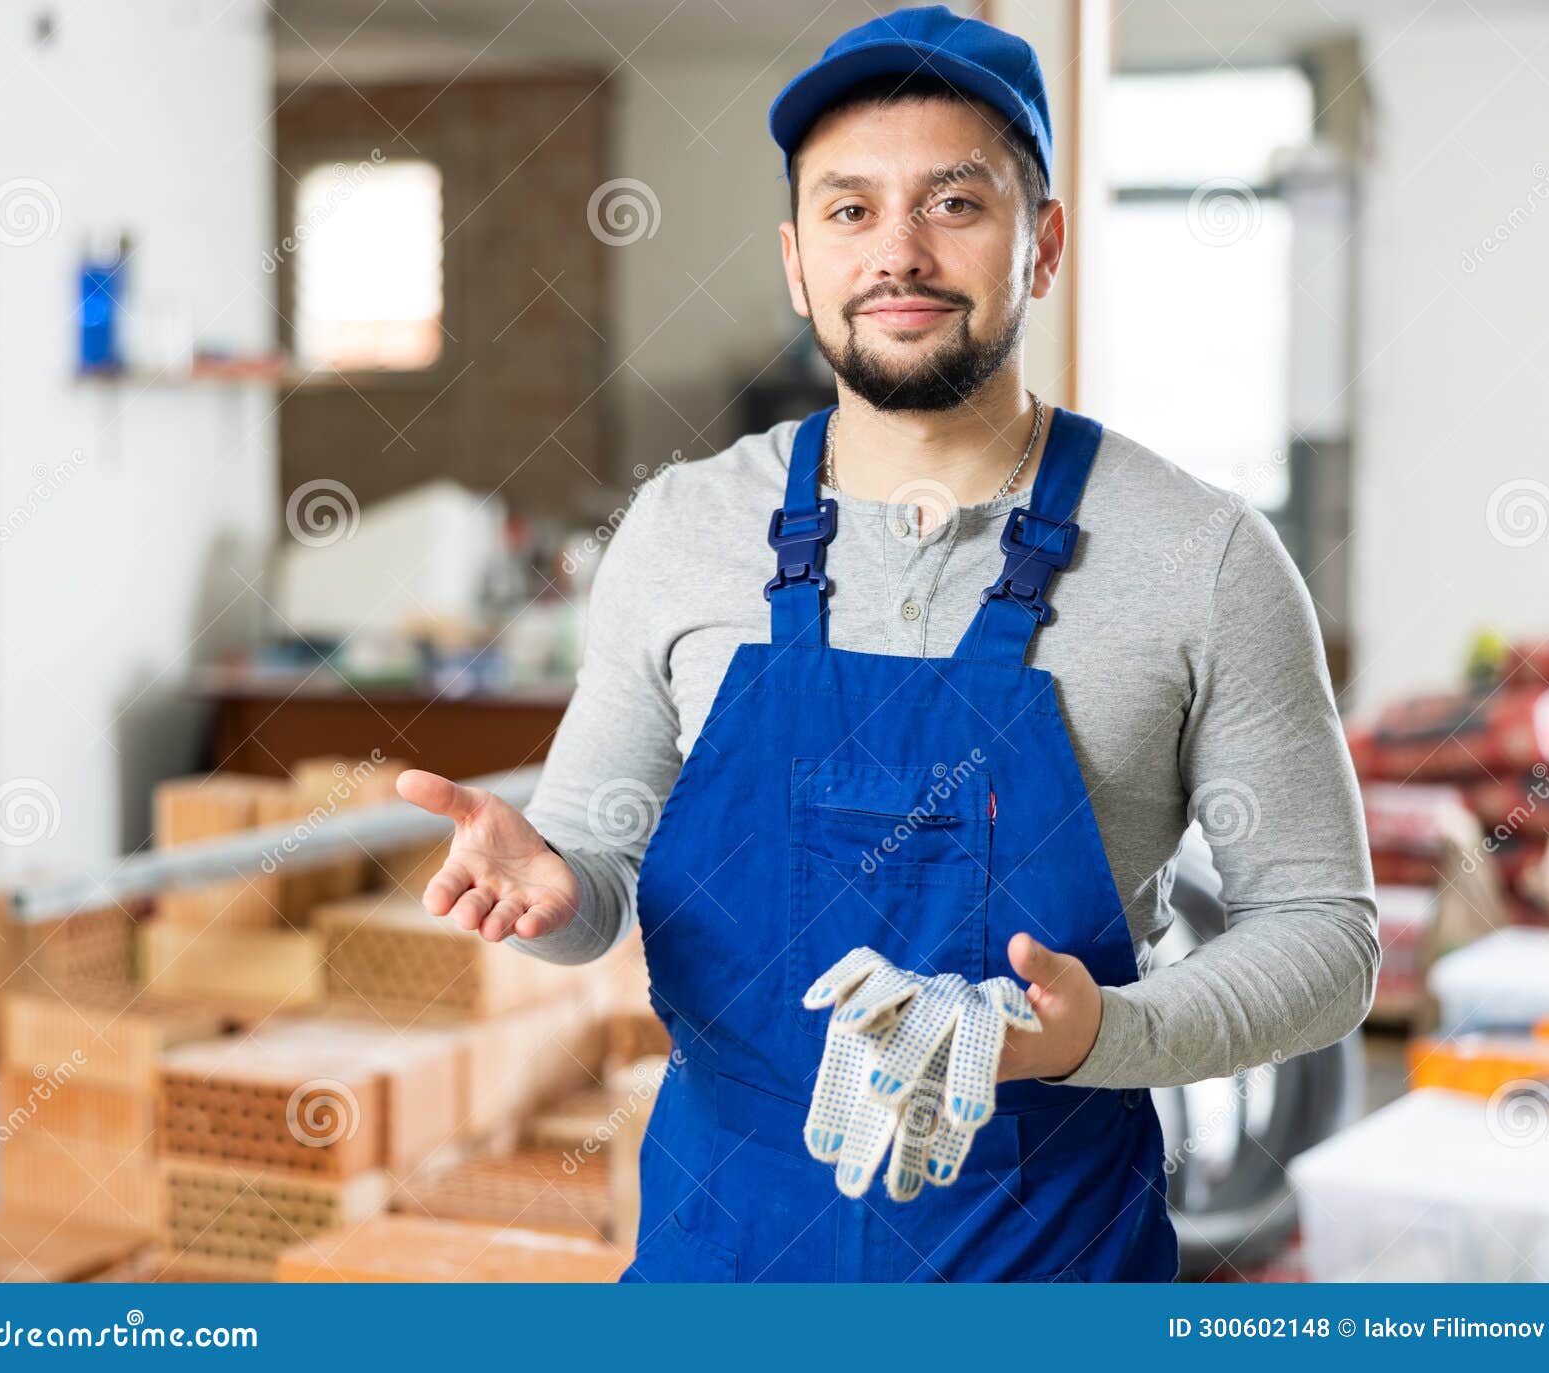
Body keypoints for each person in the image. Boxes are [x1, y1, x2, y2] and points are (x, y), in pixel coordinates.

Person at [395, 4, 1378, 1282]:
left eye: (955, 205)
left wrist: (1098, 1036)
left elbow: (1326, 938)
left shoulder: (1205, 557)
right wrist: (549, 889)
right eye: (851, 210)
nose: (898, 253)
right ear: (800, 261)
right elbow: (592, 883)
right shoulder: (686, 530)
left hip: (1040, 1257)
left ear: (1043, 245)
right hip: (724, 1250)